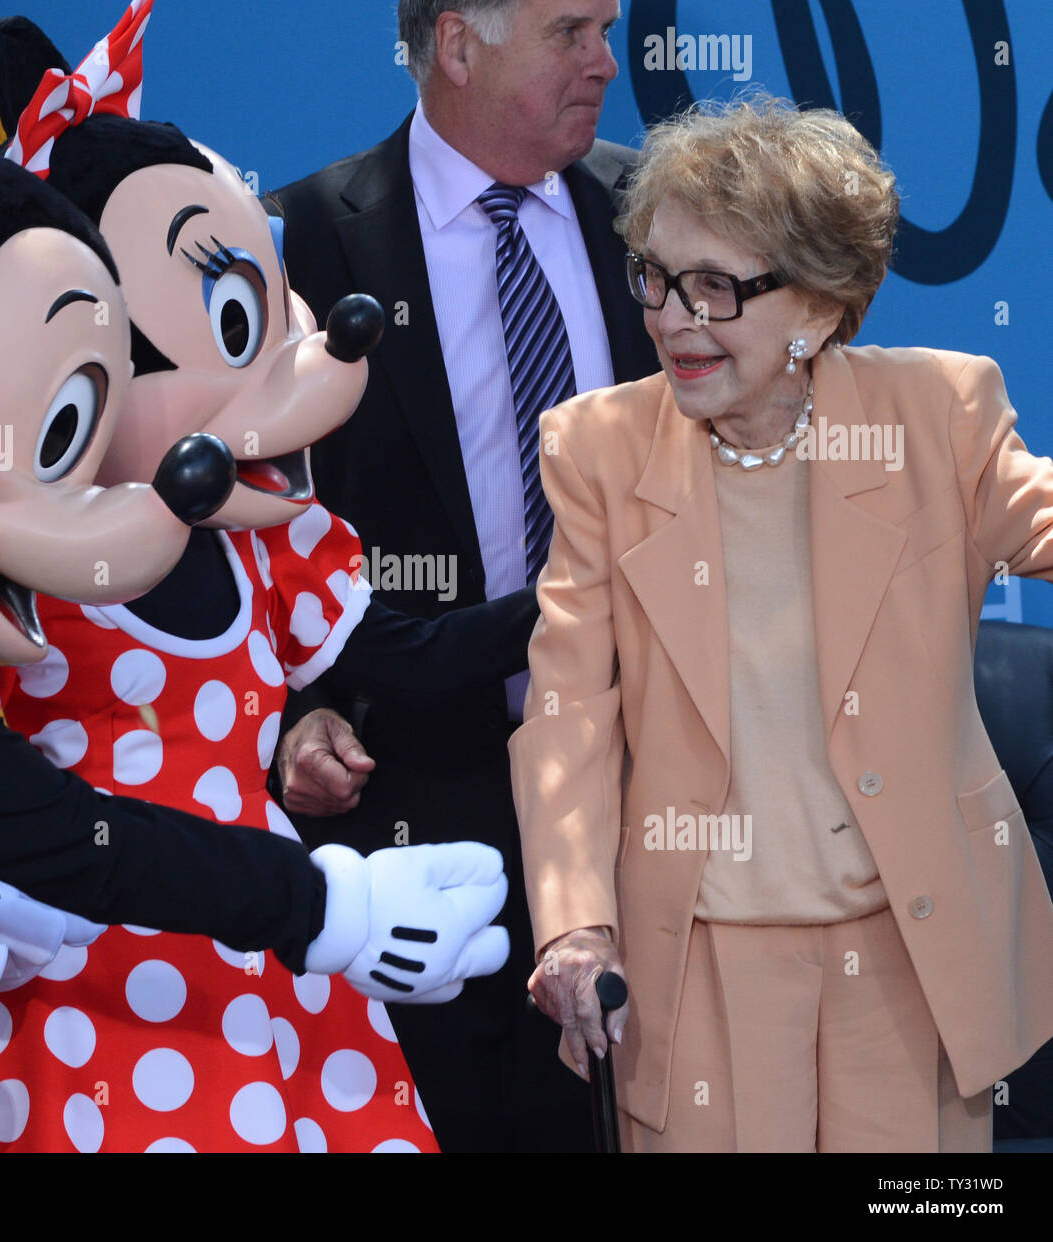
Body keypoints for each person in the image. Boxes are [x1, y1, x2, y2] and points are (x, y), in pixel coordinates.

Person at [510, 93, 1053, 1152]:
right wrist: (575, 921)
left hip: (907, 956)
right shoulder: (601, 450)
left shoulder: (934, 415)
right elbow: (569, 707)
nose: (673, 318)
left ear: (815, 305)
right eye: (655, 278)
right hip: (702, 968)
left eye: (715, 288)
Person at [265, 0, 657, 1151]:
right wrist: (298, 712)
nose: (607, 59)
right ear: (455, 45)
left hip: (646, 801)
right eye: (572, 30)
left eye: (609, 26)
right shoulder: (295, 242)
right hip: (407, 815)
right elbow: (253, 531)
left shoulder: (664, 222)